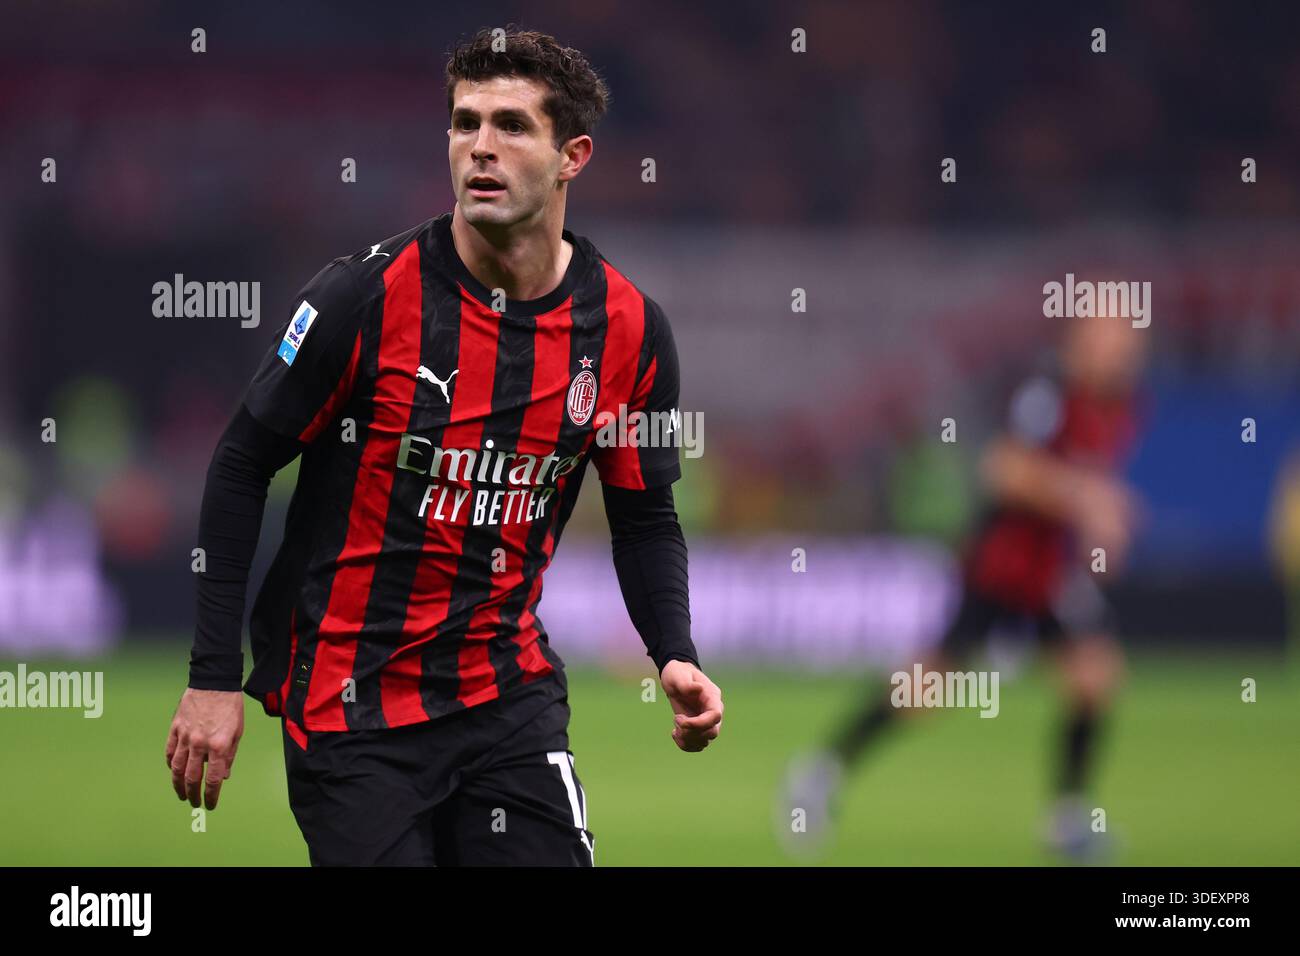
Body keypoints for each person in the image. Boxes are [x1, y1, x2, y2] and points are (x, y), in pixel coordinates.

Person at [165, 27, 723, 866]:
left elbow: (645, 517)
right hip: (353, 711)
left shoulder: (631, 332)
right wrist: (213, 676)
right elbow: (242, 464)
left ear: (573, 155)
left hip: (507, 702)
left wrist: (674, 653)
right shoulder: (362, 297)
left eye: (511, 126)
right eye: (465, 124)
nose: (480, 149)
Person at [781, 317, 1146, 860]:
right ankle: (821, 772)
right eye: (1109, 343)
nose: (1119, 355)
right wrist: (1086, 499)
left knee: (1094, 675)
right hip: (1001, 566)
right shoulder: (1046, 395)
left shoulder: (1123, 406)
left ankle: (1069, 818)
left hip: (1051, 574)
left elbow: (1083, 488)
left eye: (1127, 345)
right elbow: (1004, 469)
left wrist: (1099, 528)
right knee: (927, 689)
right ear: (1079, 344)